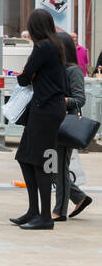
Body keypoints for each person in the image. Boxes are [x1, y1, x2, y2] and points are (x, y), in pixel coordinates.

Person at [11, 9, 68, 230]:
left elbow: (24, 79)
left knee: (42, 162)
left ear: (34, 28)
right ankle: (34, 211)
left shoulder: (43, 47)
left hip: (46, 110)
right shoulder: (55, 45)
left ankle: (45, 217)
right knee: (25, 157)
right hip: (46, 109)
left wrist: (26, 73)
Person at [54, 31, 92, 220]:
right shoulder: (54, 69)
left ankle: (59, 210)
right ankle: (79, 197)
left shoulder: (73, 70)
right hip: (51, 122)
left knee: (59, 167)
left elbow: (79, 99)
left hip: (65, 123)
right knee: (49, 167)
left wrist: (60, 101)